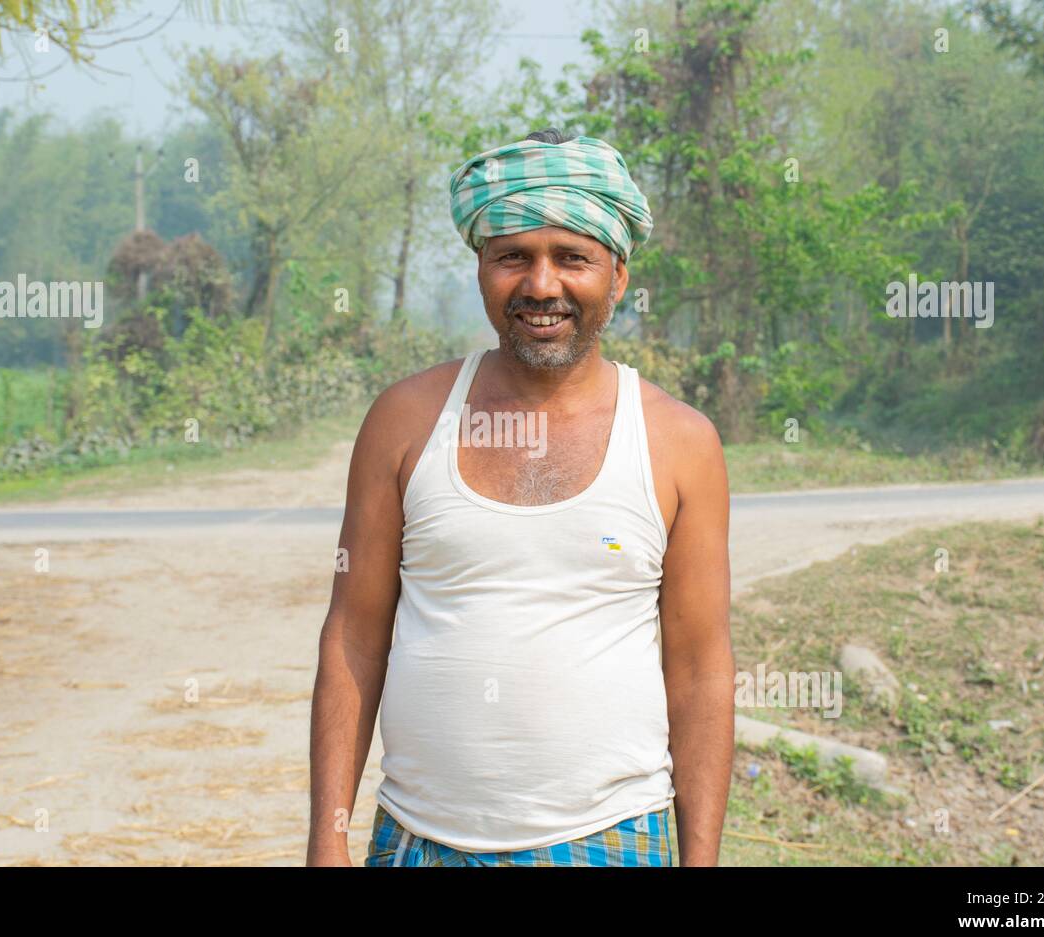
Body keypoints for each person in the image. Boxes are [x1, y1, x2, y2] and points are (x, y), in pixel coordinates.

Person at [307, 128, 734, 866]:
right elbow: (353, 632)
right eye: (514, 257)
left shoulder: (679, 442)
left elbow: (700, 669)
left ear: (618, 275)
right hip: (415, 840)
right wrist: (327, 836)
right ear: (481, 268)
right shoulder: (405, 421)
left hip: (615, 837)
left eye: (572, 257)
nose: (541, 285)